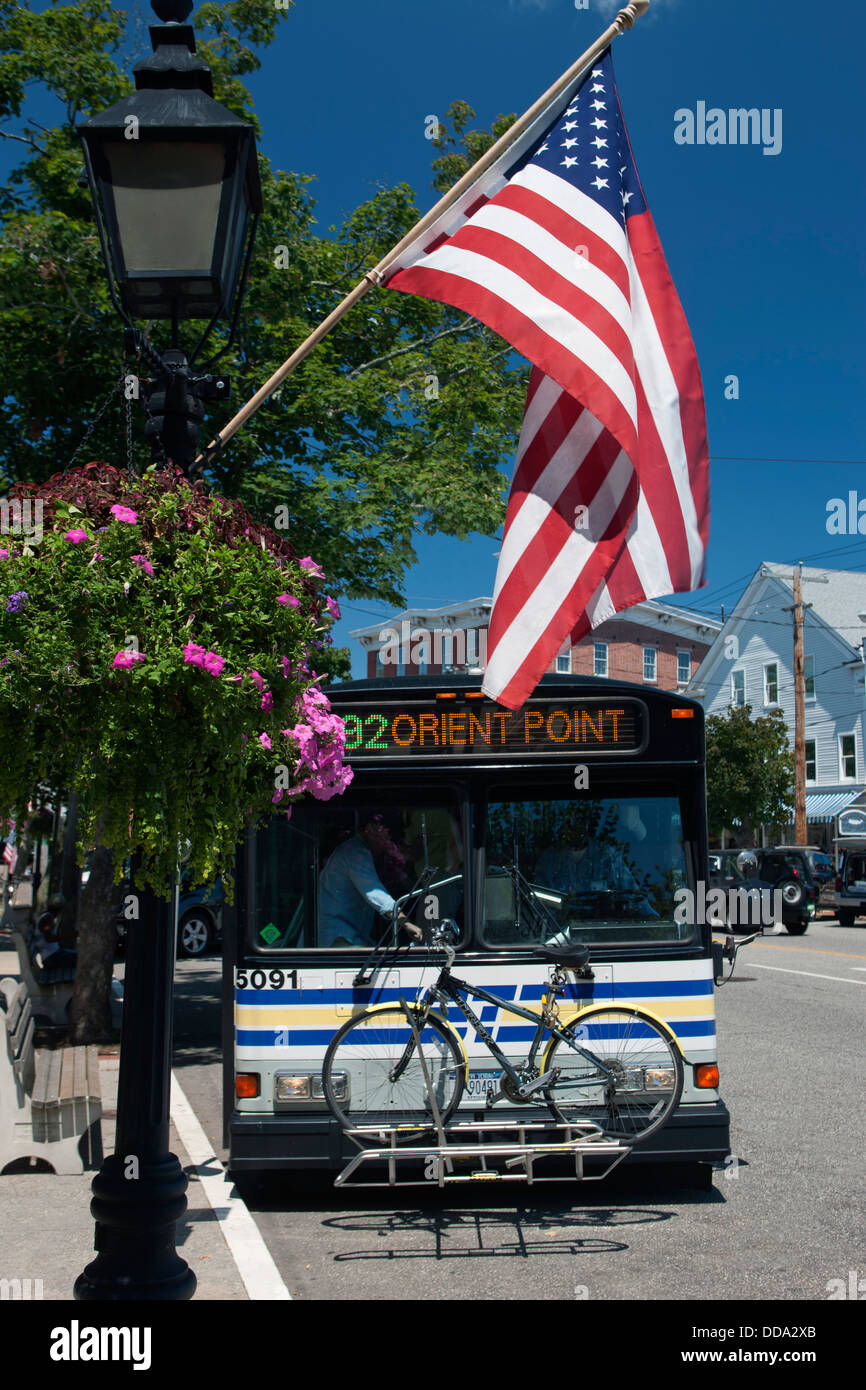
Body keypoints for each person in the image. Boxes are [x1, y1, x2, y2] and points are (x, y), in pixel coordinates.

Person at [318, 815, 424, 948]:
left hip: (353, 936)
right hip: (341, 937)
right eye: (386, 832)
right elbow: (376, 893)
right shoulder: (355, 853)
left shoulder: (364, 852)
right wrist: (406, 923)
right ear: (369, 829)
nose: (389, 840)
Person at [32, 894, 77, 978]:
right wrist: (68, 936)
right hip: (51, 958)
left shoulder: (46, 916)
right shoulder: (47, 919)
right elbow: (49, 938)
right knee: (80, 959)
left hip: (53, 955)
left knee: (76, 956)